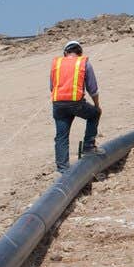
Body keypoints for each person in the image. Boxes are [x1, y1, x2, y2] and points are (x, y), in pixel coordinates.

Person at [50, 40, 101, 171]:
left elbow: (52, 87)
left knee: (61, 136)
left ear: (66, 52)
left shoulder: (57, 63)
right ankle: (89, 147)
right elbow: (93, 89)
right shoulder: (84, 63)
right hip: (76, 103)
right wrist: (97, 106)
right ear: (80, 52)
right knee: (94, 114)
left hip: (58, 104)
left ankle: (63, 169)